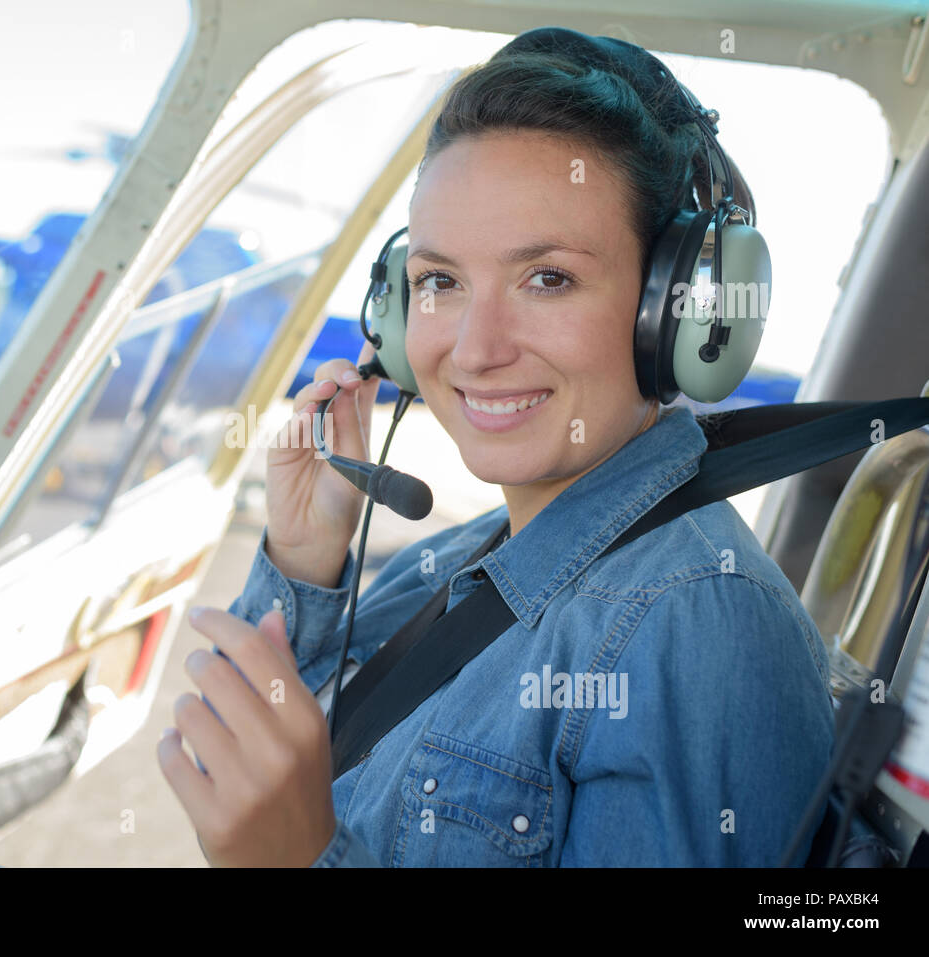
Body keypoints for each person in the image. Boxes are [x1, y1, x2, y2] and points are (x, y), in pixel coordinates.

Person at [157, 27, 835, 867]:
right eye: (441, 281)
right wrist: (306, 562)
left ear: (683, 315)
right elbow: (252, 781)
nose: (475, 350)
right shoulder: (463, 559)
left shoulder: (700, 626)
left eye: (547, 278)